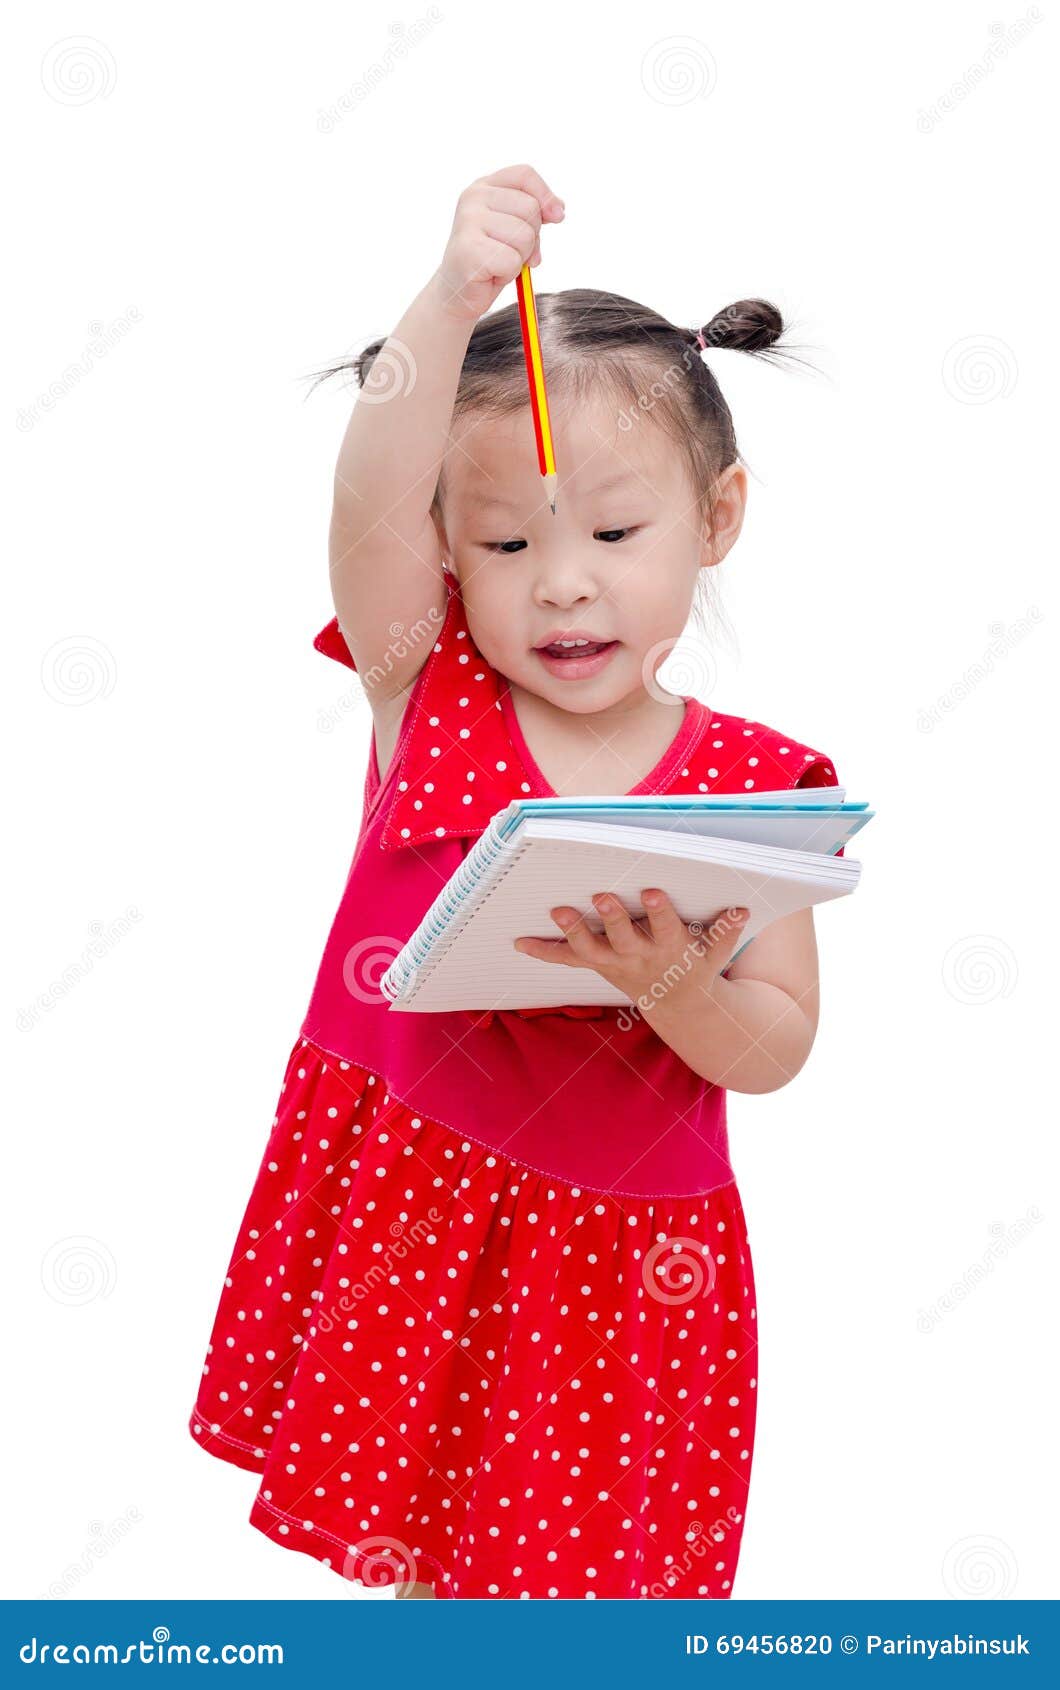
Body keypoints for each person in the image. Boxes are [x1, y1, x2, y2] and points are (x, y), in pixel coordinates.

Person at [189, 163, 843, 1601]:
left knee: (586, 1605)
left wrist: (677, 986)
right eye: (504, 541)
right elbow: (367, 509)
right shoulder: (428, 691)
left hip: (623, 1267)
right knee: (426, 1592)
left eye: (613, 533)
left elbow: (779, 1042)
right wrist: (448, 302)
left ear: (717, 518)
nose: (560, 582)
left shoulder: (764, 786)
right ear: (445, 549)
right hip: (423, 1213)